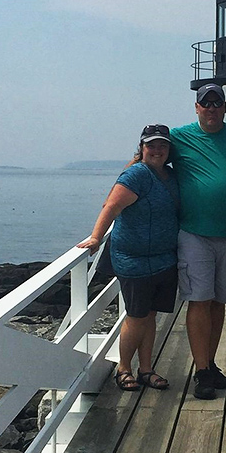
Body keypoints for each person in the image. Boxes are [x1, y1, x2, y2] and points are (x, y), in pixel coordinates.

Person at [77, 124, 179, 391]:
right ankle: (124, 369)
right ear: (142, 148)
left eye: (162, 145)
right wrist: (96, 238)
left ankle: (146, 369)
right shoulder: (136, 174)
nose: (157, 150)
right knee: (136, 316)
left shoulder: (169, 175)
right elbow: (111, 206)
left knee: (150, 315)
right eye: (151, 145)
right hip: (135, 260)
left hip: (164, 259)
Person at [170, 84, 226, 399]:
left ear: (225, 108)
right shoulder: (179, 137)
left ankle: (211, 362)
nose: (212, 109)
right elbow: (148, 158)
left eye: (217, 103)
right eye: (206, 104)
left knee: (219, 302)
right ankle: (202, 370)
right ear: (197, 107)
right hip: (194, 233)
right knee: (199, 300)